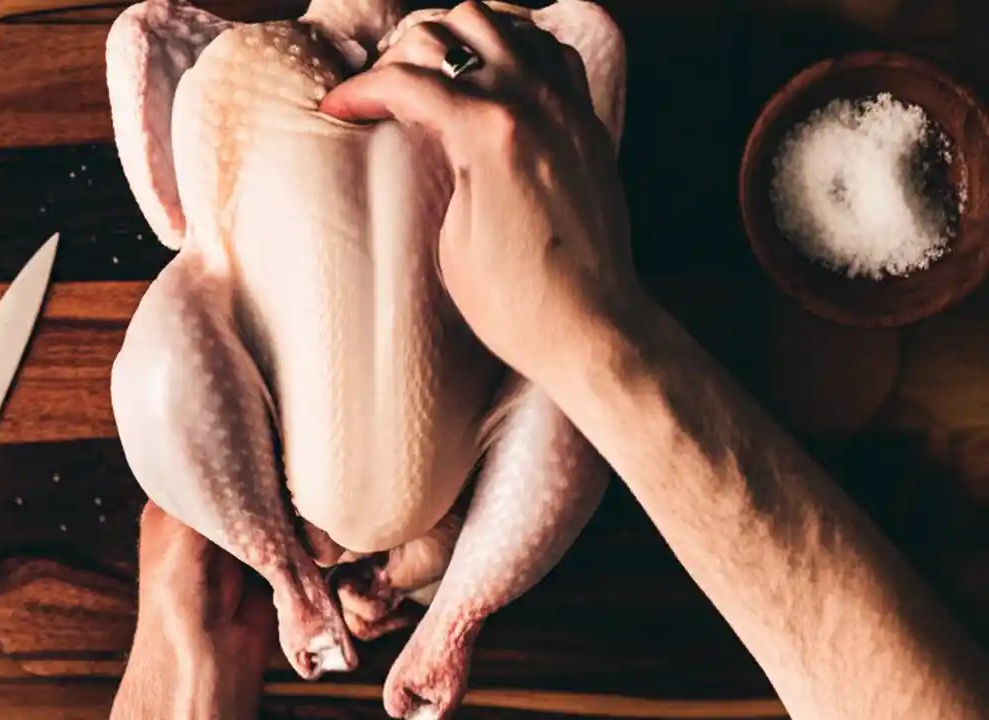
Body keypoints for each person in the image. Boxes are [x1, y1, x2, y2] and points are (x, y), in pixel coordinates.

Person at [111, 2, 989, 718]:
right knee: (172, 334)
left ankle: (428, 614)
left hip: (461, 446)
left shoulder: (508, 45)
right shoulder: (491, 53)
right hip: (327, 456)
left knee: (558, 396)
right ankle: (316, 587)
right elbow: (166, 125)